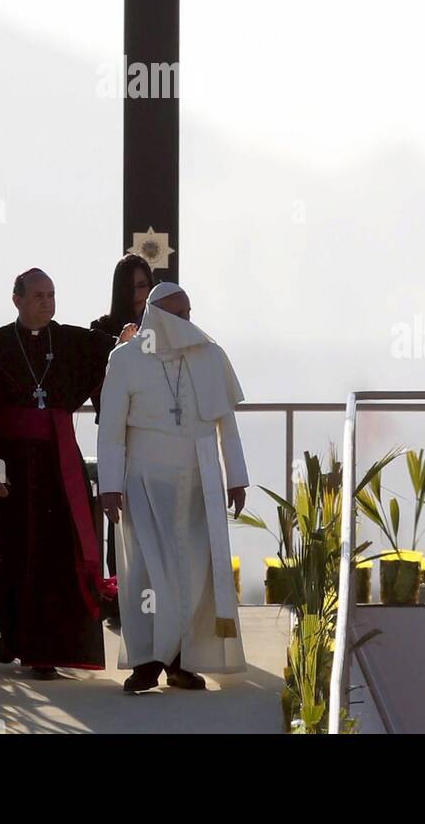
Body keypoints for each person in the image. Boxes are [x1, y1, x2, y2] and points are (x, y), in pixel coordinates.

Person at [0, 268, 115, 677]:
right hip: (12, 467)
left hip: (59, 466)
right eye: (39, 295)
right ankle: (17, 639)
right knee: (13, 558)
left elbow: (112, 349)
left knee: (61, 556)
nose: (47, 302)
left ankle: (50, 649)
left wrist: (130, 337)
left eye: (52, 294)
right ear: (17, 300)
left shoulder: (68, 340)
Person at [97, 281, 249, 693]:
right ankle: (147, 661)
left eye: (189, 314)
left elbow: (227, 427)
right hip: (145, 482)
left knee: (194, 576)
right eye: (178, 316)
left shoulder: (210, 356)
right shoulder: (124, 360)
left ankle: (182, 663)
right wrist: (109, 486)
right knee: (148, 576)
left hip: (200, 483)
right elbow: (111, 430)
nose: (187, 323)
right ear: (157, 317)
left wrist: (236, 478)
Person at [90, 254, 156, 626]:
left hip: (154, 435)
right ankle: (117, 592)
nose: (138, 294)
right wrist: (119, 346)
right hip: (117, 435)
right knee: (119, 515)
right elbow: (96, 391)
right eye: (132, 287)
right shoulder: (100, 329)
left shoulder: (164, 327)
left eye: (144, 285)